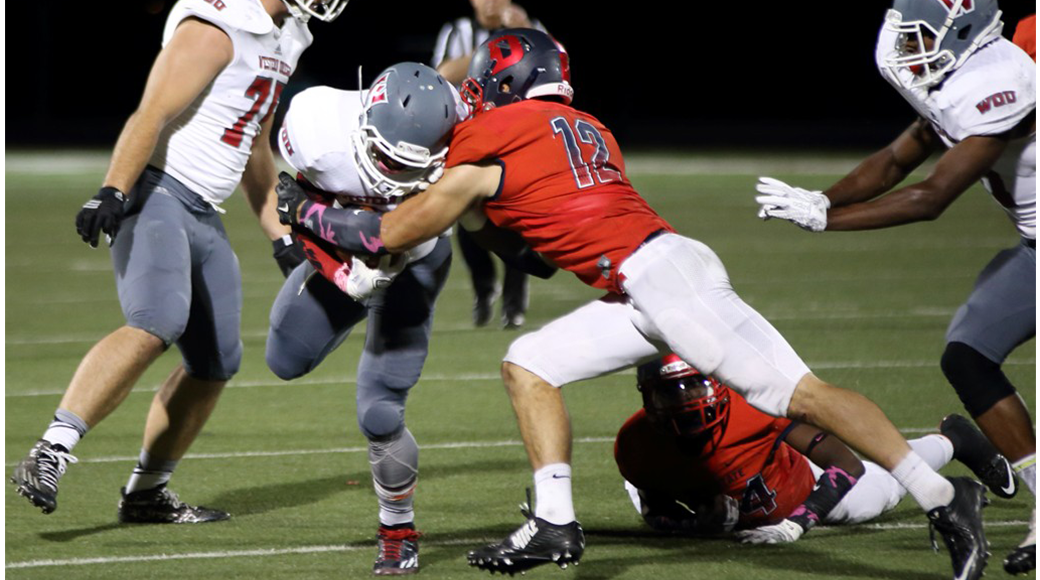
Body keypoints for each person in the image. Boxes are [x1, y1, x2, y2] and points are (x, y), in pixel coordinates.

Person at [273, 28, 994, 579]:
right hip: (648, 279)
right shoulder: (588, 130)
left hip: (661, 279)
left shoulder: (492, 134)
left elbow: (391, 231)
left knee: (800, 396)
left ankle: (939, 495)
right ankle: (555, 522)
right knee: (530, 362)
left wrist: (305, 212)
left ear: (500, 86)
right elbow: (527, 239)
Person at [10, 0, 347, 523]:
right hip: (160, 194)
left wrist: (279, 237)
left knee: (217, 362)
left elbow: (254, 140)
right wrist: (114, 189)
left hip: (204, 212)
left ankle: (146, 493)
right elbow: (153, 111)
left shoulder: (290, 34)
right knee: (156, 321)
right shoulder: (219, 22)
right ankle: (51, 450)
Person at [753, 0, 1034, 573]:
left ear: (963, 34)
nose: (906, 52)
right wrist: (822, 198)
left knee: (971, 354)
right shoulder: (959, 76)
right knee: (968, 356)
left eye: (918, 39)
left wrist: (827, 222)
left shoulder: (1001, 79)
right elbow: (893, 162)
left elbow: (932, 197)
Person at [266, 62, 463, 575]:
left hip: (411, 268)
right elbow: (292, 202)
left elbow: (384, 239)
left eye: (409, 166)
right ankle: (343, 305)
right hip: (345, 258)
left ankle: (397, 530)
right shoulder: (317, 127)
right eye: (386, 158)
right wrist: (338, 275)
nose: (394, 175)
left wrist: (316, 221)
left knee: (379, 412)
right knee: (284, 358)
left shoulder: (464, 149)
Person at [616, 355, 1015, 545]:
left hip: (810, 491)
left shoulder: (750, 405)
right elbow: (657, 513)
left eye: (695, 386)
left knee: (888, 484)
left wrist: (797, 523)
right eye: (670, 392)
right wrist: (699, 525)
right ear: (647, 398)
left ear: (717, 382)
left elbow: (845, 464)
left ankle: (953, 440)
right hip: (758, 505)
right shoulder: (635, 444)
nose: (686, 402)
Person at [431, 0, 545, 328]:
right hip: (472, 135)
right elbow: (441, 74)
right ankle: (484, 288)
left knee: (515, 215)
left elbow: (554, 70)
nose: (490, 3)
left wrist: (522, 31)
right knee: (467, 215)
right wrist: (499, 46)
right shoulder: (459, 31)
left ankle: (514, 299)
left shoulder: (530, 24)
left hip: (518, 134)